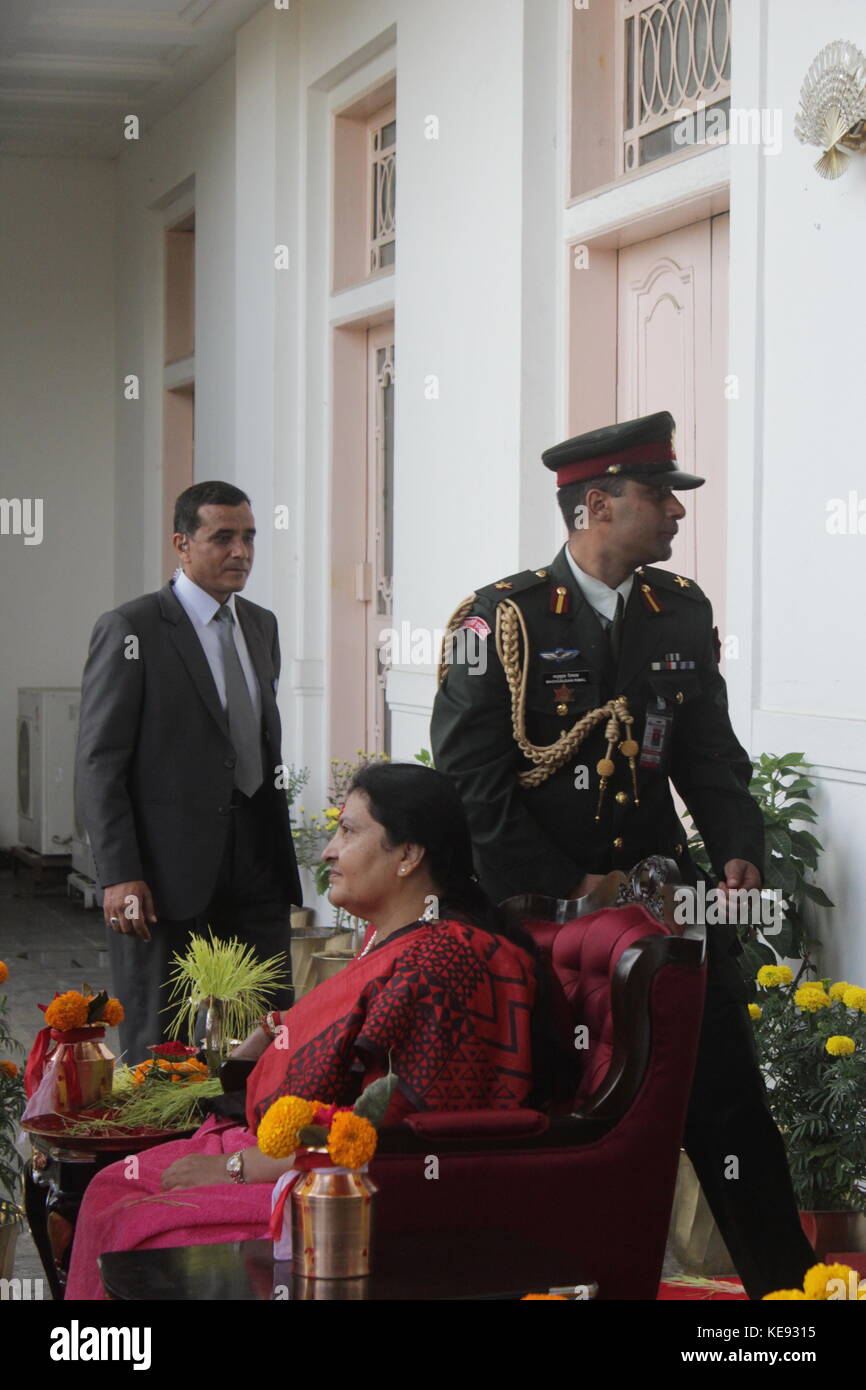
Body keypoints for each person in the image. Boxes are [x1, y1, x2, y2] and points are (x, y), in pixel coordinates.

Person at [430, 410, 815, 1300]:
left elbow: (709, 755)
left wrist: (738, 852)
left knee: (727, 1107)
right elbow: (471, 779)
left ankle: (789, 1305)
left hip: (660, 911)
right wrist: (568, 884)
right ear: (595, 505)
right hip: (537, 922)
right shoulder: (497, 621)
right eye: (660, 497)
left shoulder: (679, 612)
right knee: (547, 1116)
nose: (677, 515)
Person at [64, 762, 548, 1301]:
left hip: (352, 1195)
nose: (327, 852)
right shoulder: (396, 939)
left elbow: (379, 1133)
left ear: (409, 855)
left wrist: (234, 1168)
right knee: (113, 1186)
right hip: (289, 1158)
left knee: (128, 1208)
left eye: (350, 831)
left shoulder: (440, 963)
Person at [74, 481, 302, 1065]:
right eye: (222, 537)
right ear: (182, 544)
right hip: (165, 875)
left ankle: (247, 1145)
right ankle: (160, 1155)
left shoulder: (261, 625)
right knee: (163, 1043)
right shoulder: (133, 629)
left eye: (249, 537)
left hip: (256, 861)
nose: (241, 552)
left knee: (264, 1030)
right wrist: (119, 874)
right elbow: (101, 763)